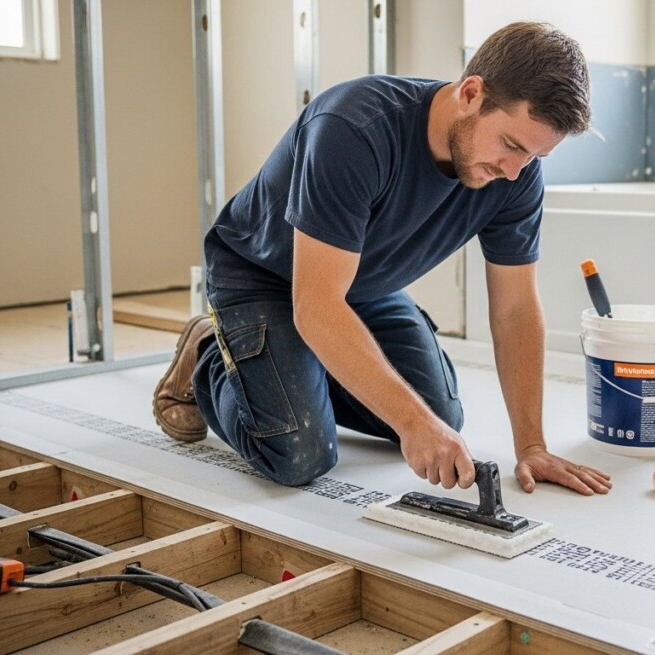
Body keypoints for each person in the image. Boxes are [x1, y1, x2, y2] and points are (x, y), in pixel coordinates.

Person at [153, 21, 611, 496]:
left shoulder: (516, 176)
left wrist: (531, 445)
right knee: (300, 453)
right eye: (512, 145)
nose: (514, 172)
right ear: (471, 93)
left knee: (441, 417)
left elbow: (515, 310)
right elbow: (316, 304)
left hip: (363, 284)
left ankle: (302, 361)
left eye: (535, 157)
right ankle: (209, 355)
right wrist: (412, 422)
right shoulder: (353, 130)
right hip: (264, 276)